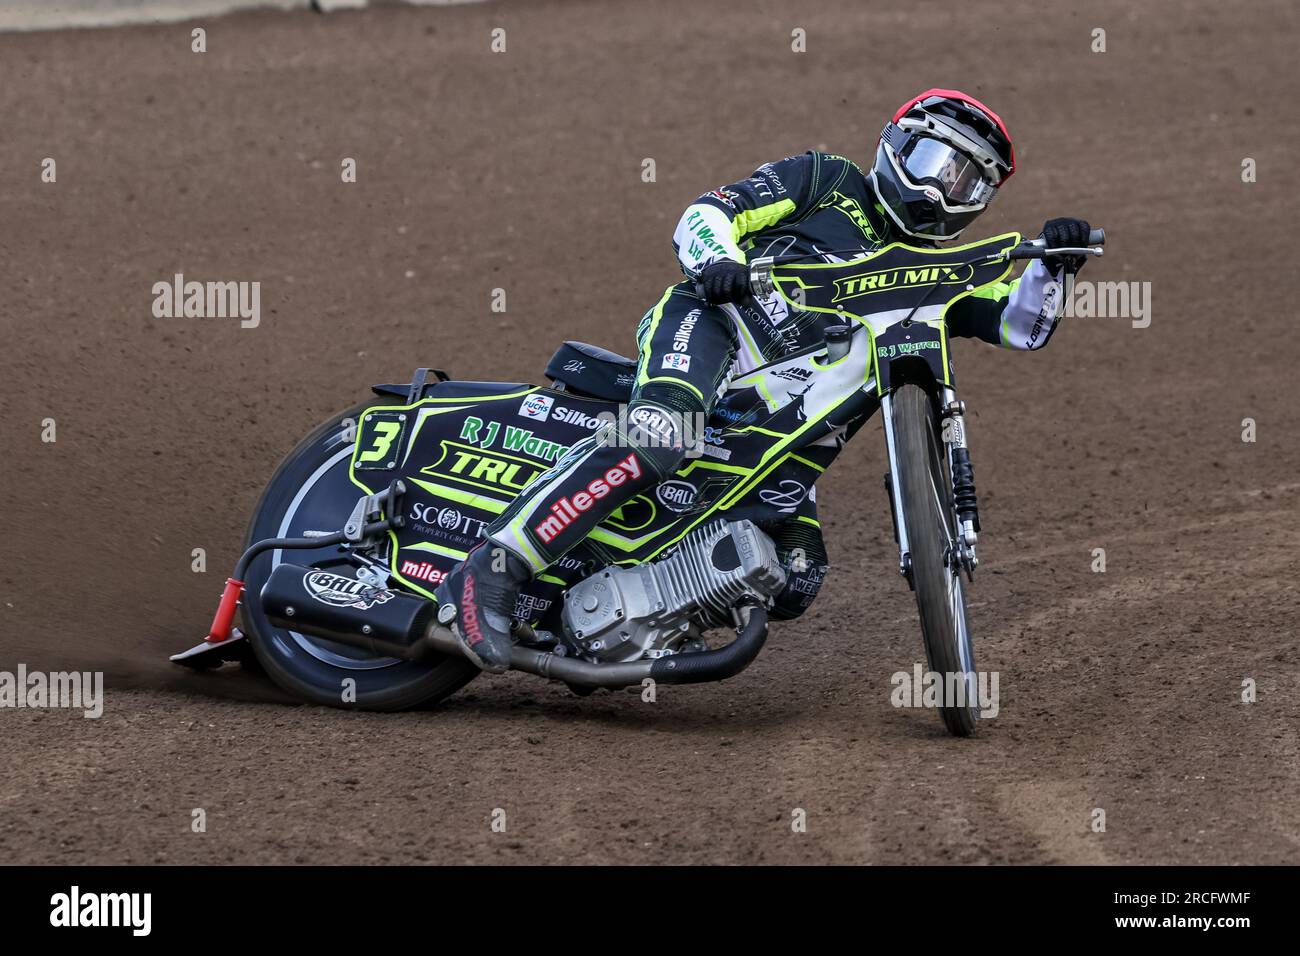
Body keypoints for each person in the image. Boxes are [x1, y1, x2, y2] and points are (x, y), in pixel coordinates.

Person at [436, 88, 1092, 672]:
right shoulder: (828, 179)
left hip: (774, 433)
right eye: (933, 165)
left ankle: (619, 622)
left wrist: (1053, 268)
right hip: (714, 325)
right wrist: (719, 261)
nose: (940, 191)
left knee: (797, 578)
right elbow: (707, 212)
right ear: (894, 147)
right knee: (664, 433)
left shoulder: (932, 275)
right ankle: (491, 572)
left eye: (966, 183)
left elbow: (1019, 324)